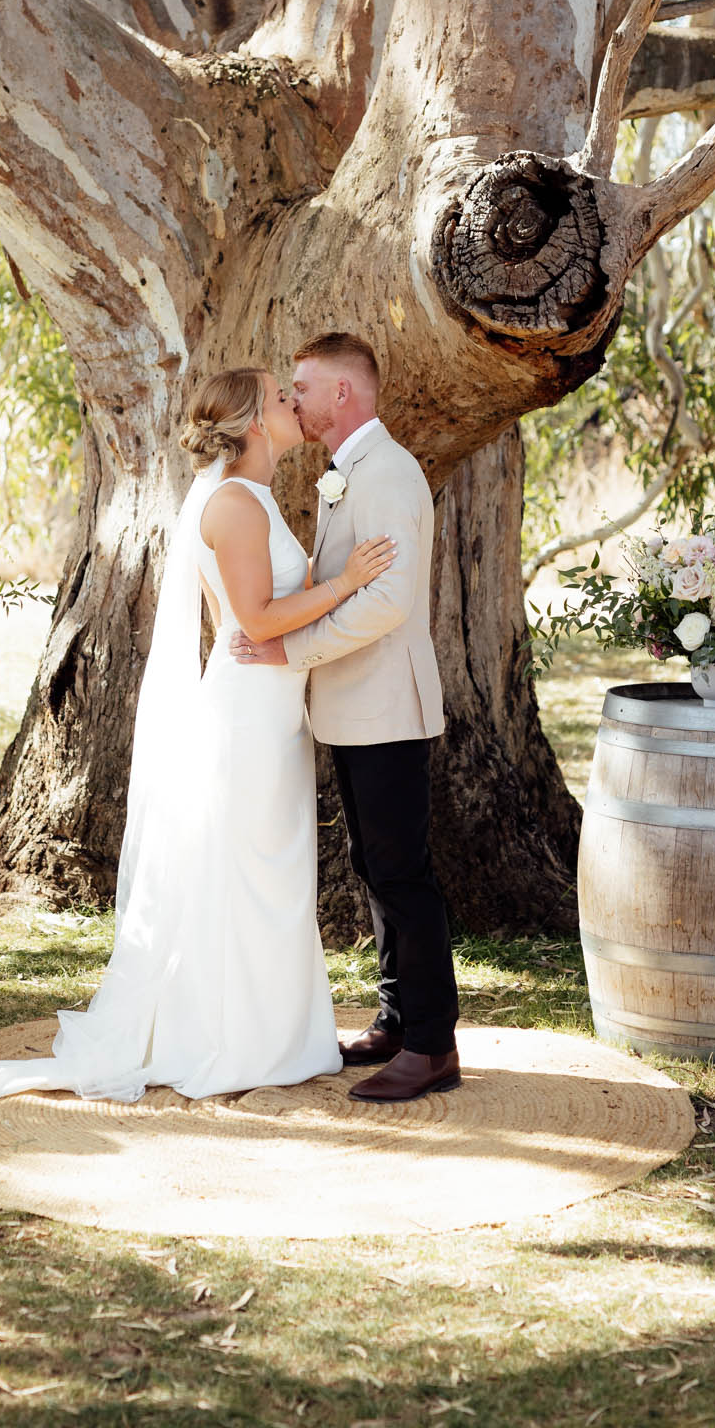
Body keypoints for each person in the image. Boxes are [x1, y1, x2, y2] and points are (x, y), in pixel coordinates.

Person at [0, 368, 395, 1104]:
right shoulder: (233, 503)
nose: (295, 402)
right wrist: (345, 585)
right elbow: (254, 621)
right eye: (282, 398)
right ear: (253, 422)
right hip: (247, 711)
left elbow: (273, 598)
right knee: (249, 870)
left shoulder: (252, 497)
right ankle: (231, 1038)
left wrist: (328, 569)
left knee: (268, 868)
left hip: (271, 705)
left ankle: (272, 1031)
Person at [232, 332, 460, 1103]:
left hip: (385, 703)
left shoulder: (388, 472)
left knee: (402, 874)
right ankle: (397, 1020)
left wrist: (291, 651)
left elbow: (389, 602)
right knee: (374, 868)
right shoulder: (348, 470)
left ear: (343, 394)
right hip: (352, 707)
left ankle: (431, 1047)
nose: (291, 398)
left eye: (302, 385)